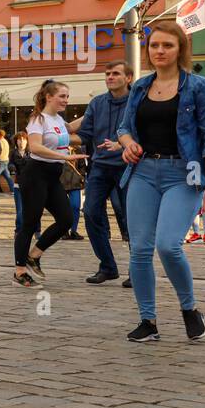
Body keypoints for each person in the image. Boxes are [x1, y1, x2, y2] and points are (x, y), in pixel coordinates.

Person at [117, 20, 205, 342]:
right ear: (148, 51)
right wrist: (128, 144)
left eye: (167, 45)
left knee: (167, 244)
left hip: (184, 174)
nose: (160, 51)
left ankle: (189, 308)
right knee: (139, 250)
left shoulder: (198, 86)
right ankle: (147, 321)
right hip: (144, 173)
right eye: (154, 45)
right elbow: (124, 128)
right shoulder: (139, 87)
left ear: (180, 50)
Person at [12, 81, 88, 287]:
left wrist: (93, 109)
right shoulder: (38, 119)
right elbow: (35, 147)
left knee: (66, 219)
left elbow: (70, 132)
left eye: (67, 97)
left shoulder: (58, 120)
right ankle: (19, 272)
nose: (66, 100)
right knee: (29, 222)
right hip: (35, 174)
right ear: (49, 97)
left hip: (53, 176)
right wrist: (64, 157)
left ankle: (34, 255)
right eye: (62, 96)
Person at [70, 59, 133, 285]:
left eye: (115, 73)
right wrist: (55, 137)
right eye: (107, 74)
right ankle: (107, 266)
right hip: (100, 167)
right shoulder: (97, 103)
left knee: (129, 218)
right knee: (91, 211)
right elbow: (84, 135)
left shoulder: (137, 101)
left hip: (129, 167)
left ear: (128, 78)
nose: (110, 77)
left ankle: (137, 270)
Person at [61, 145, 87, 240]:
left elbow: (82, 166)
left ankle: (73, 230)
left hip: (75, 182)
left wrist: (82, 176)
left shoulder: (78, 149)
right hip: (60, 182)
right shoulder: (59, 148)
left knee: (75, 206)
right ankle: (64, 231)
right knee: (63, 208)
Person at [8, 131, 30, 235]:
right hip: (18, 184)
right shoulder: (13, 152)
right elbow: (10, 164)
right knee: (20, 210)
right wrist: (12, 168)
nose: (22, 142)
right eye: (19, 140)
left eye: (24, 139)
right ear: (16, 142)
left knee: (33, 209)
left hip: (31, 185)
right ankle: (19, 230)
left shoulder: (31, 152)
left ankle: (36, 229)